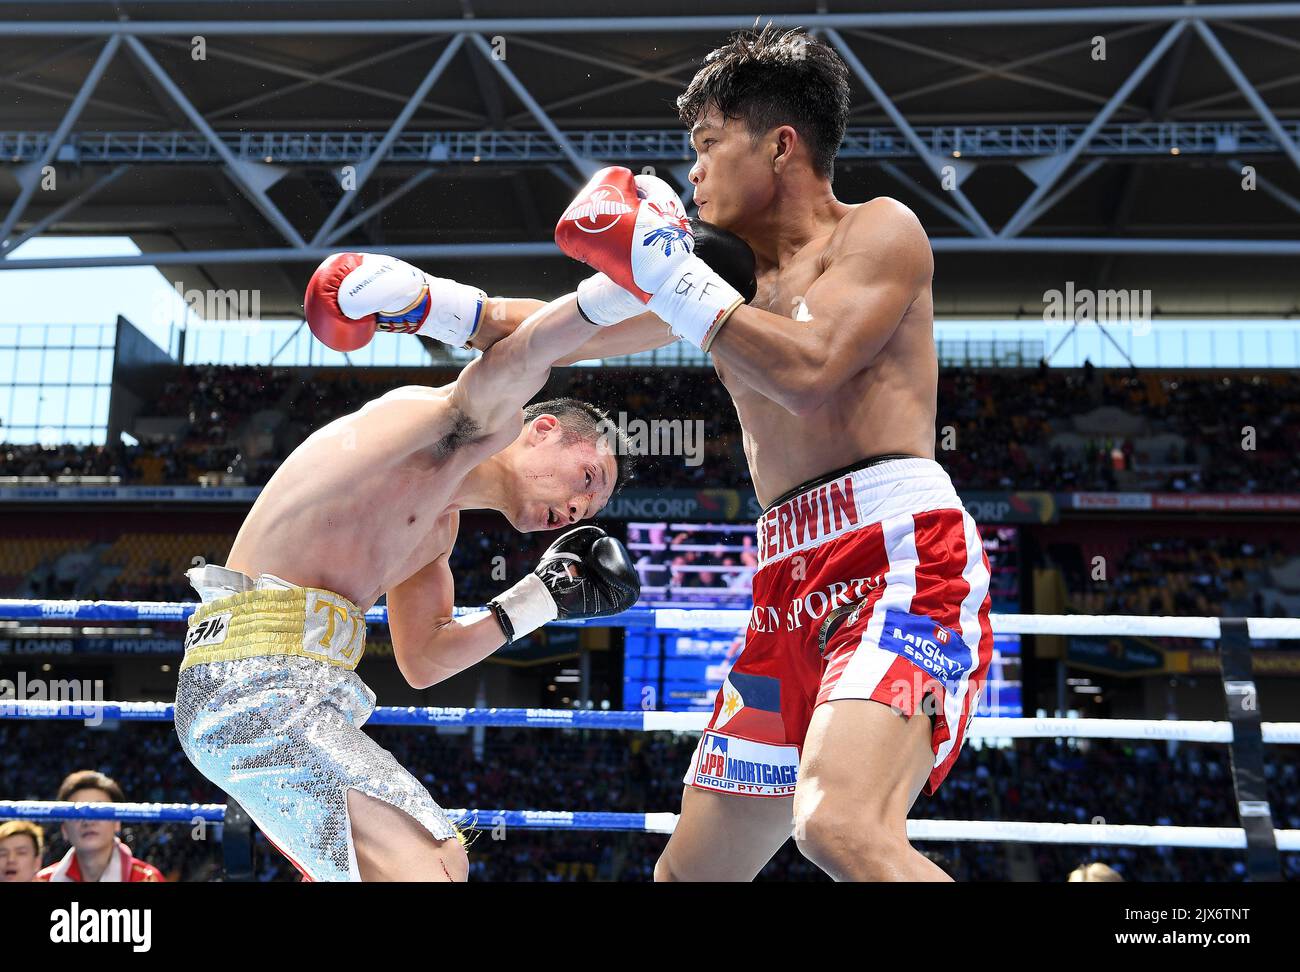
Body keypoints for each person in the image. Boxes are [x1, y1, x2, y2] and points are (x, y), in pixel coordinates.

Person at [459, 24, 994, 881]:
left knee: (841, 827)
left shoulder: (879, 232)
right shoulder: (719, 276)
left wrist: (674, 277)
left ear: (781, 146)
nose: (693, 171)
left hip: (900, 558)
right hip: (784, 580)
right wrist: (433, 306)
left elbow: (813, 373)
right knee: (690, 875)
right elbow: (562, 331)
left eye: (708, 144)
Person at [175, 224, 757, 882]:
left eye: (586, 514)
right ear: (540, 430)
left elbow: (424, 660)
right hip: (256, 682)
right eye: (585, 480)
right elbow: (533, 347)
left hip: (281, 691)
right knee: (428, 869)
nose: (573, 512)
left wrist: (538, 600)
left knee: (440, 859)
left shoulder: (436, 532)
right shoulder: (445, 426)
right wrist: (675, 300)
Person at [34, 771, 164, 882]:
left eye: (98, 810)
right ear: (64, 829)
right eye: (77, 813)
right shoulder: (42, 880)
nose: (88, 821)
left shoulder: (148, 879)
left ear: (117, 822)